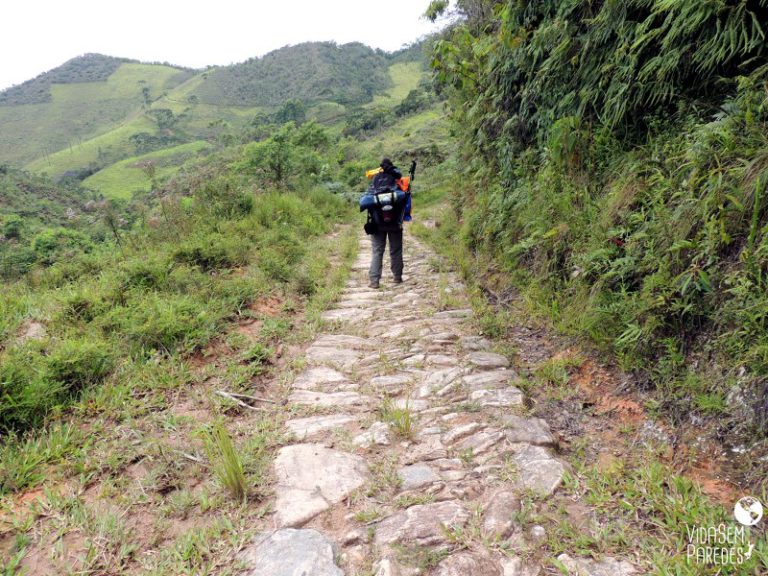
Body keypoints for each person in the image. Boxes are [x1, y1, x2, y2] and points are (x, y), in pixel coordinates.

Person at [364, 158, 408, 289]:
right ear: (392, 166)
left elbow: (368, 199)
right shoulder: (397, 179)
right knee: (396, 250)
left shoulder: (375, 179)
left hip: (377, 222)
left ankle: (374, 281)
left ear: (381, 167)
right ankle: (397, 277)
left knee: (377, 251)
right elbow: (404, 200)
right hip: (394, 222)